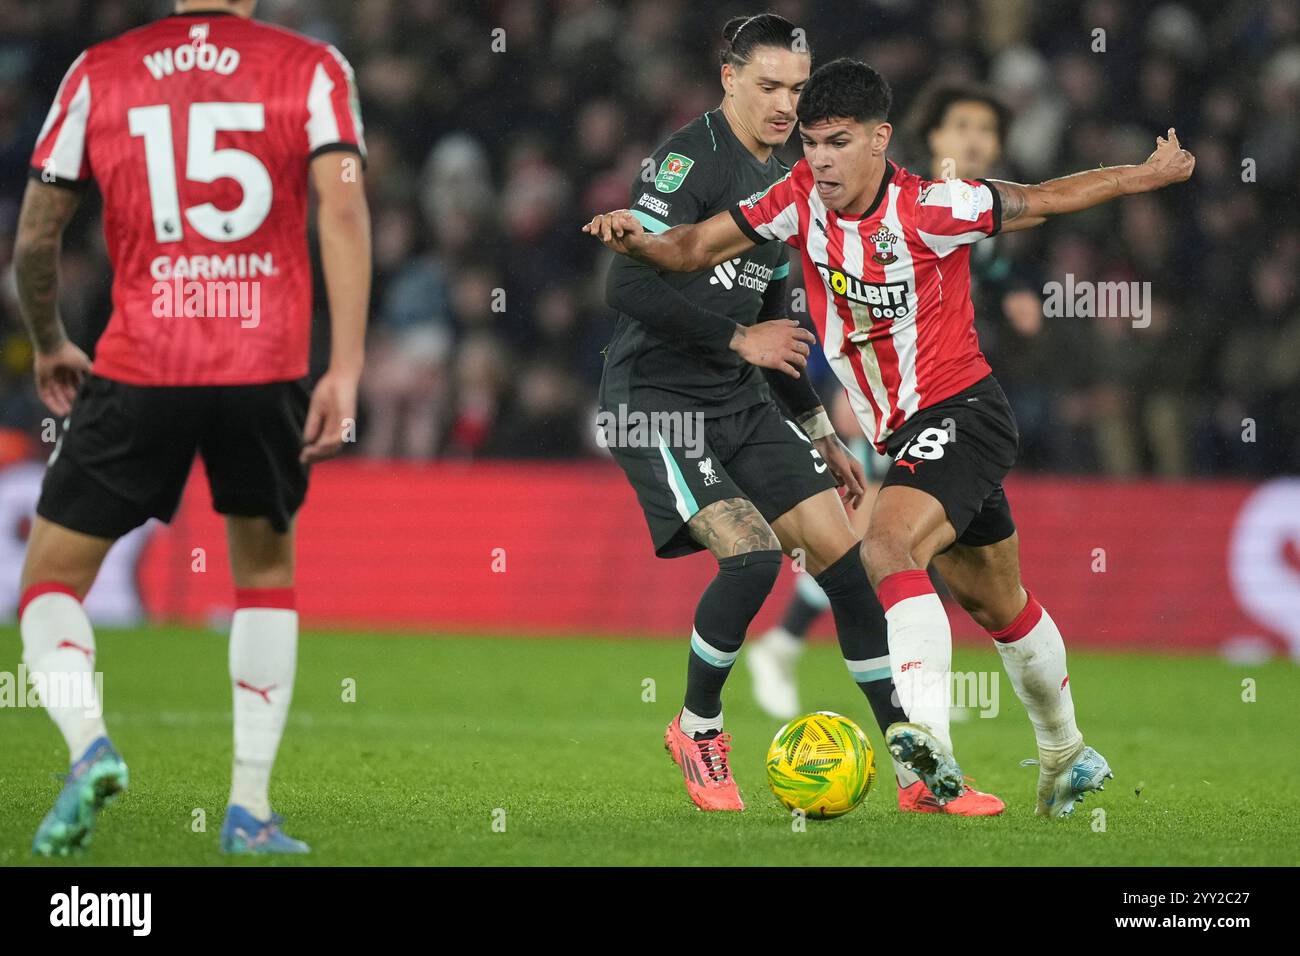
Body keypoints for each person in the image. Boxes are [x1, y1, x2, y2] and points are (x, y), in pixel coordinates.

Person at [584, 57, 1195, 816]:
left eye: (837, 142)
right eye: (809, 142)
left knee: (883, 548)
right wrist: (634, 238)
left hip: (963, 413)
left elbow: (1039, 200)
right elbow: (692, 248)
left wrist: (1142, 175)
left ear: (880, 139)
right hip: (904, 432)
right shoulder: (797, 198)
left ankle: (927, 753)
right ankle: (1065, 754)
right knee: (1001, 603)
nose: (820, 160)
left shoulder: (934, 207)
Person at [598, 16, 1000, 815]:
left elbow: (775, 312)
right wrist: (736, 336)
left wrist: (817, 428)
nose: (788, 106)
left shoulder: (798, 178)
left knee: (848, 571)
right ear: (729, 79)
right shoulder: (688, 160)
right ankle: (697, 726)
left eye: (797, 89)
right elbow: (629, 286)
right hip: (658, 400)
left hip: (740, 397)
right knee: (749, 557)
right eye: (770, 87)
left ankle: (917, 770)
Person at [15, 0, 370, 854]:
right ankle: (249, 811)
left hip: (141, 364)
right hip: (267, 367)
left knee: (49, 583)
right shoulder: (313, 68)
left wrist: (50, 339)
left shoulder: (99, 72)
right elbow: (345, 212)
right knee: (263, 576)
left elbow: (35, 235)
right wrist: (347, 368)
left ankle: (88, 746)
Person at [747, 81, 1027, 736]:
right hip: (876, 396)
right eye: (962, 127)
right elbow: (825, 294)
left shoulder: (976, 210)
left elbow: (980, 279)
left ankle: (870, 670)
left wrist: (1017, 295)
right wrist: (835, 395)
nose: (976, 141)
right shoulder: (890, 195)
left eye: (986, 131)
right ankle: (801, 652)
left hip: (941, 397)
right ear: (929, 138)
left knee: (901, 540)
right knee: (885, 535)